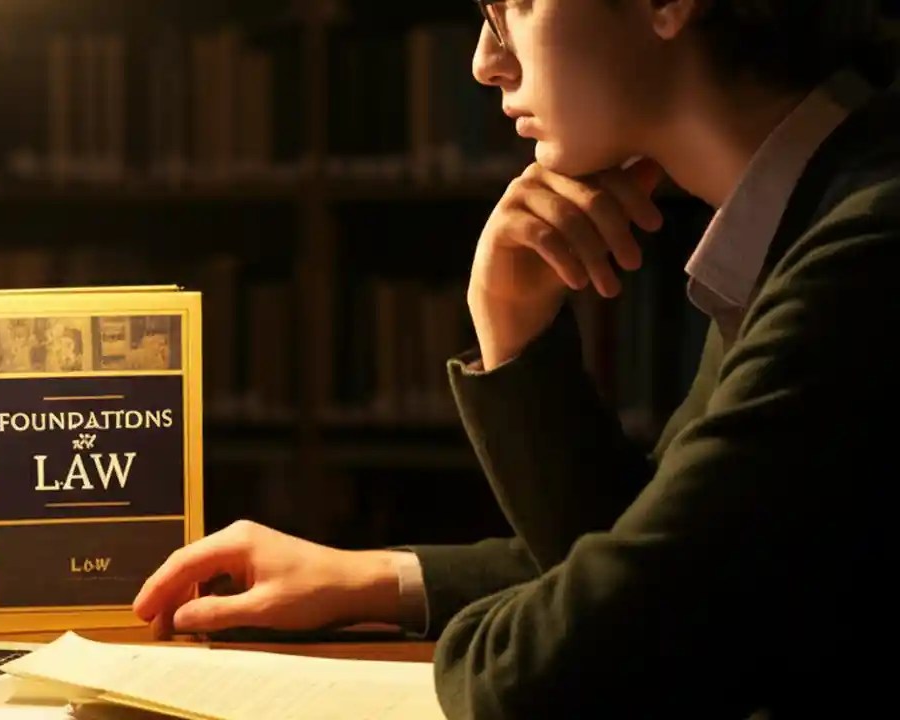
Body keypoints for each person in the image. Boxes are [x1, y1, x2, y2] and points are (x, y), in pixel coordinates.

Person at [134, 1, 900, 717]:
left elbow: (598, 658)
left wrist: (501, 641)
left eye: (513, 6)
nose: (484, 62)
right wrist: (371, 580)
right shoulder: (809, 209)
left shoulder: (867, 252)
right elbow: (656, 558)